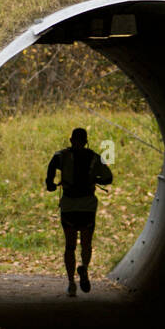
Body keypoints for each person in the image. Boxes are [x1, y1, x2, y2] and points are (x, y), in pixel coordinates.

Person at [45, 127, 113, 296]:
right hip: (87, 206)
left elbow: (50, 172)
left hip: (69, 206)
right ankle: (84, 268)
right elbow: (108, 178)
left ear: (70, 140)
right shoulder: (95, 157)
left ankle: (71, 283)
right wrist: (94, 179)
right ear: (86, 141)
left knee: (69, 246)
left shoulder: (61, 155)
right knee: (86, 243)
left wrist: (51, 185)